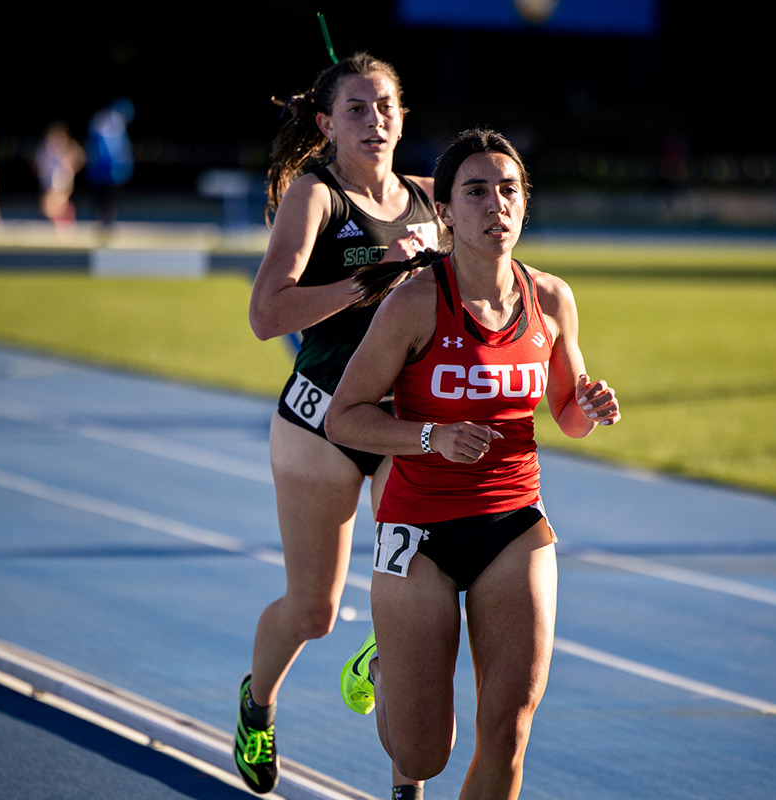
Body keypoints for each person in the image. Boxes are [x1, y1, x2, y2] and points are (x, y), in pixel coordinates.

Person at [325, 129, 621, 800]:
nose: (497, 205)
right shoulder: (415, 303)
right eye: (477, 192)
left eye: (510, 190)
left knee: (509, 733)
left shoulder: (550, 298)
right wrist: (430, 437)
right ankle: (390, 664)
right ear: (448, 214)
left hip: (514, 524)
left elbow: (567, 414)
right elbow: (345, 416)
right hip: (420, 531)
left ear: (526, 203)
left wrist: (589, 405)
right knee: (424, 753)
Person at [235, 52, 439, 795]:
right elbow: (266, 315)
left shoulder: (428, 202)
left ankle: (405, 786)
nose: (375, 121)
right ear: (324, 125)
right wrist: (373, 276)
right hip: (318, 424)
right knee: (315, 610)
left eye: (386, 106)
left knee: (417, 619)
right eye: (356, 108)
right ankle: (258, 704)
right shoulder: (315, 198)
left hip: (399, 430)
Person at [86, 99, 134, 235]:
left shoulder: (102, 119)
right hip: (109, 171)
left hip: (103, 171)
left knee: (104, 200)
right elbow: (116, 149)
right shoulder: (113, 121)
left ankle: (104, 223)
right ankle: (105, 223)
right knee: (107, 199)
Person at [34, 121, 87, 237]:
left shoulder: (68, 147)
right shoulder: (44, 148)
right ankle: (64, 222)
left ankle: (64, 224)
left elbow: (80, 158)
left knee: (54, 203)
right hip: (48, 181)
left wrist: (70, 166)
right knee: (54, 206)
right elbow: (37, 164)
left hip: (62, 180)